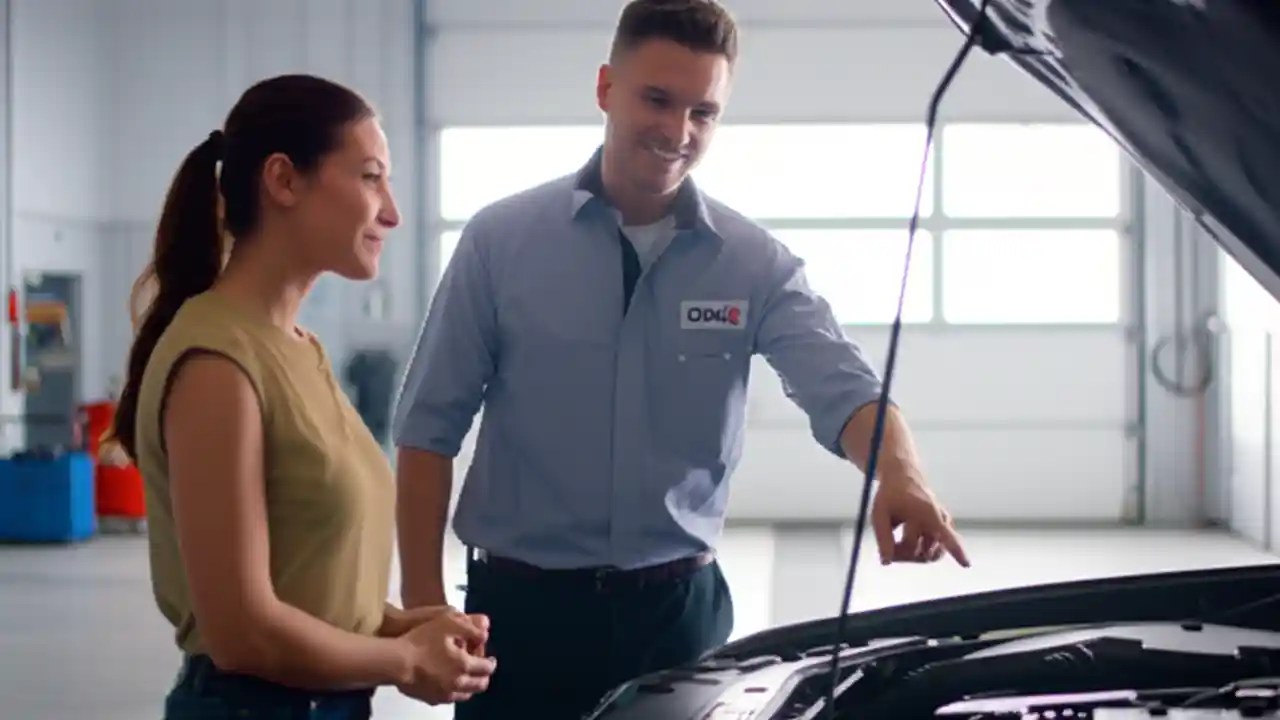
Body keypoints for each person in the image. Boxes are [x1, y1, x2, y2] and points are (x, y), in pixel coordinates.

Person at [392, 1, 970, 717]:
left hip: (678, 620)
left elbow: (846, 389)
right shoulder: (499, 243)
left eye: (704, 111)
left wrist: (903, 477)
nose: (677, 131)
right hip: (518, 620)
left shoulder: (753, 264)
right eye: (657, 100)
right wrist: (423, 608)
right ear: (606, 88)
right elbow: (427, 430)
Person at [106, 74, 496, 720]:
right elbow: (242, 633)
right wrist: (404, 660)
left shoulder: (297, 347)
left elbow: (304, 586)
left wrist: (398, 626)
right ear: (284, 181)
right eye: (371, 177)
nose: (392, 212)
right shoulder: (217, 364)